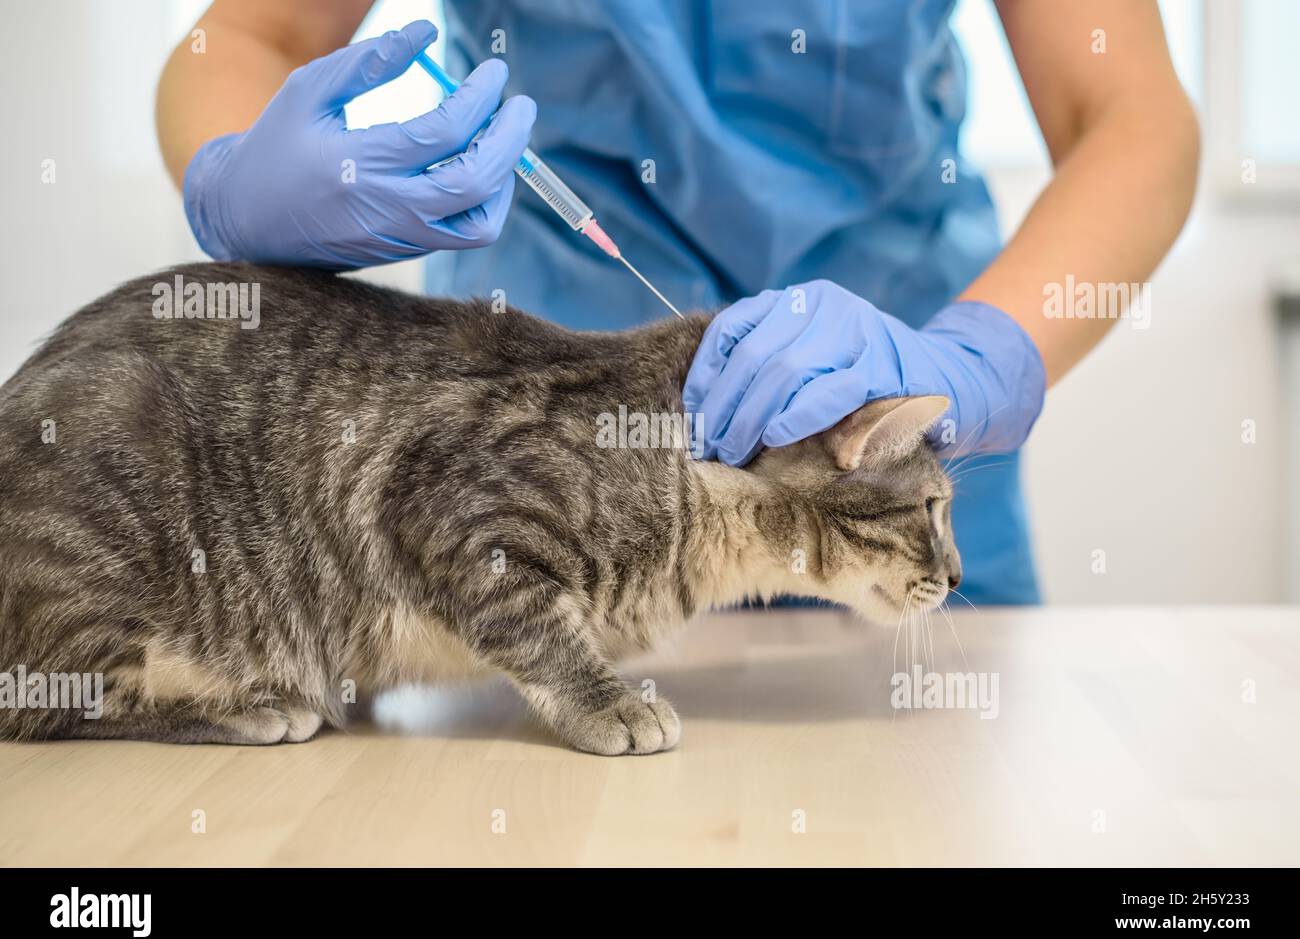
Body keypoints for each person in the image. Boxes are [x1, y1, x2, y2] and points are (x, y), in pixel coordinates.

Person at [157, 1, 1199, 604]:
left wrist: (981, 357)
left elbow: (1125, 108)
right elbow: (253, 34)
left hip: (896, 404)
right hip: (551, 463)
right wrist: (231, 173)